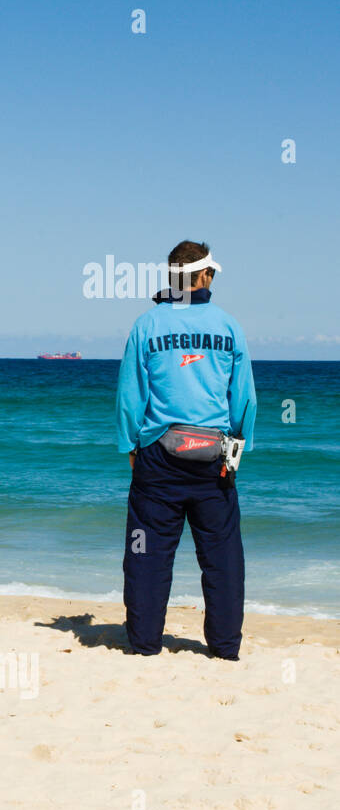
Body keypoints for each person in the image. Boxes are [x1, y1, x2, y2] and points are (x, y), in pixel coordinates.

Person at [116, 241, 257, 660]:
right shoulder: (229, 326)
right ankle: (225, 647)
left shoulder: (146, 325)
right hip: (212, 454)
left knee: (146, 553)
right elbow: (244, 399)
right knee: (222, 556)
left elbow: (129, 396)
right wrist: (237, 443)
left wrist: (129, 445)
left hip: (158, 455)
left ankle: (143, 644)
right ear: (204, 276)